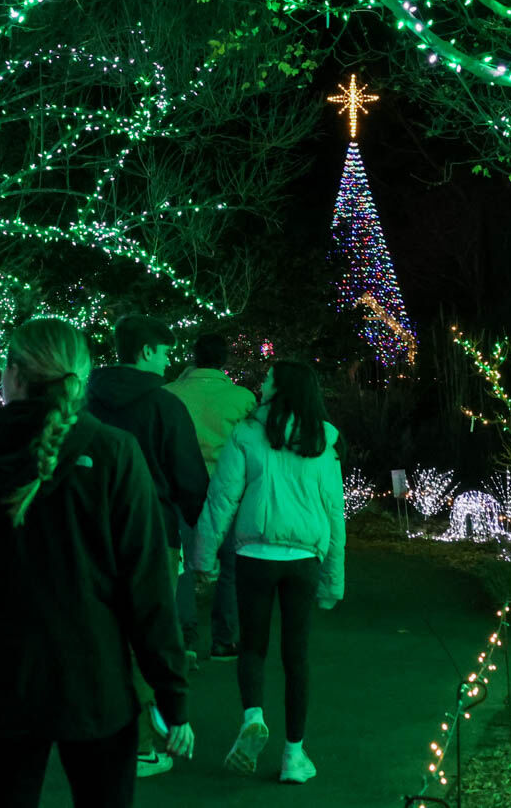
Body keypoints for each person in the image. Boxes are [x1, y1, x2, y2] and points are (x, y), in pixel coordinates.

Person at [0, 317, 192, 808]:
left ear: (12, 375)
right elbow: (147, 588)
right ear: (81, 375)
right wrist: (170, 693)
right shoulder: (114, 452)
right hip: (94, 684)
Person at [192, 359, 345, 785]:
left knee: (253, 647)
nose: (260, 383)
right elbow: (335, 515)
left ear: (280, 388)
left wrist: (203, 558)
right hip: (304, 561)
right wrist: (334, 578)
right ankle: (294, 755)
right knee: (297, 658)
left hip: (255, 555)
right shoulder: (322, 440)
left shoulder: (246, 433)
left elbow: (221, 499)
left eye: (267, 378)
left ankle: (253, 716)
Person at [85, 313, 208, 777]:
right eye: (162, 351)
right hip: (153, 530)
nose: (167, 359)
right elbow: (190, 478)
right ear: (144, 352)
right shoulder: (164, 406)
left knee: (104, 633)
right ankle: (142, 743)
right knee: (151, 631)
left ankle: (108, 732)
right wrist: (203, 535)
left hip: (93, 532)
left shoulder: (85, 401)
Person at [164, 333, 258, 662]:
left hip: (179, 488)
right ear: (224, 360)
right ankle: (224, 638)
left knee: (184, 564)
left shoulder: (169, 393)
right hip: (227, 491)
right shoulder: (242, 398)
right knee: (231, 563)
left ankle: (185, 639)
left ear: (192, 355)